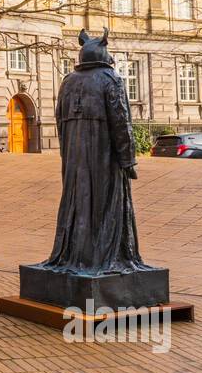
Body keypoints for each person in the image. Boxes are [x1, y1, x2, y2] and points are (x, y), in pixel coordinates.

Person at [37, 29, 164, 277]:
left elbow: (59, 121)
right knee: (106, 208)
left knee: (76, 204)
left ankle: (75, 255)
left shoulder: (67, 82)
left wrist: (67, 154)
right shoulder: (110, 79)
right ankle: (104, 257)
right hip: (104, 158)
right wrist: (127, 160)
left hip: (74, 160)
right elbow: (121, 122)